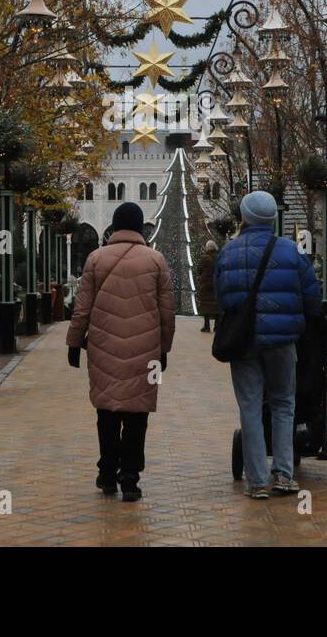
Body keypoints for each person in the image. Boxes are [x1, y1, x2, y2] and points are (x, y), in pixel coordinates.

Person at [66, 202, 175, 502]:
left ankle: (106, 473)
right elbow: (167, 312)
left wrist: (74, 343)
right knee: (137, 416)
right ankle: (130, 478)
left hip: (102, 349)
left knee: (107, 413)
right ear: (140, 226)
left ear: (114, 226)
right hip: (145, 350)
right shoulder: (156, 260)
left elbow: (82, 308)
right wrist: (164, 348)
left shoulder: (95, 259)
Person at [215, 191, 321, 499]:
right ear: (272, 218)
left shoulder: (229, 252)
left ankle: (258, 481)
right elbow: (312, 298)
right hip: (283, 341)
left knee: (250, 407)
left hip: (244, 340)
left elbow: (223, 298)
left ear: (244, 217)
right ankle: (284, 475)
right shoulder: (292, 251)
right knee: (284, 403)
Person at [196, 239, 220, 333]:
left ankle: (206, 326)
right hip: (216, 284)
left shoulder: (204, 258)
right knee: (217, 305)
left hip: (206, 285)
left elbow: (199, 269)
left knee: (206, 305)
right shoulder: (219, 257)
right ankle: (217, 326)